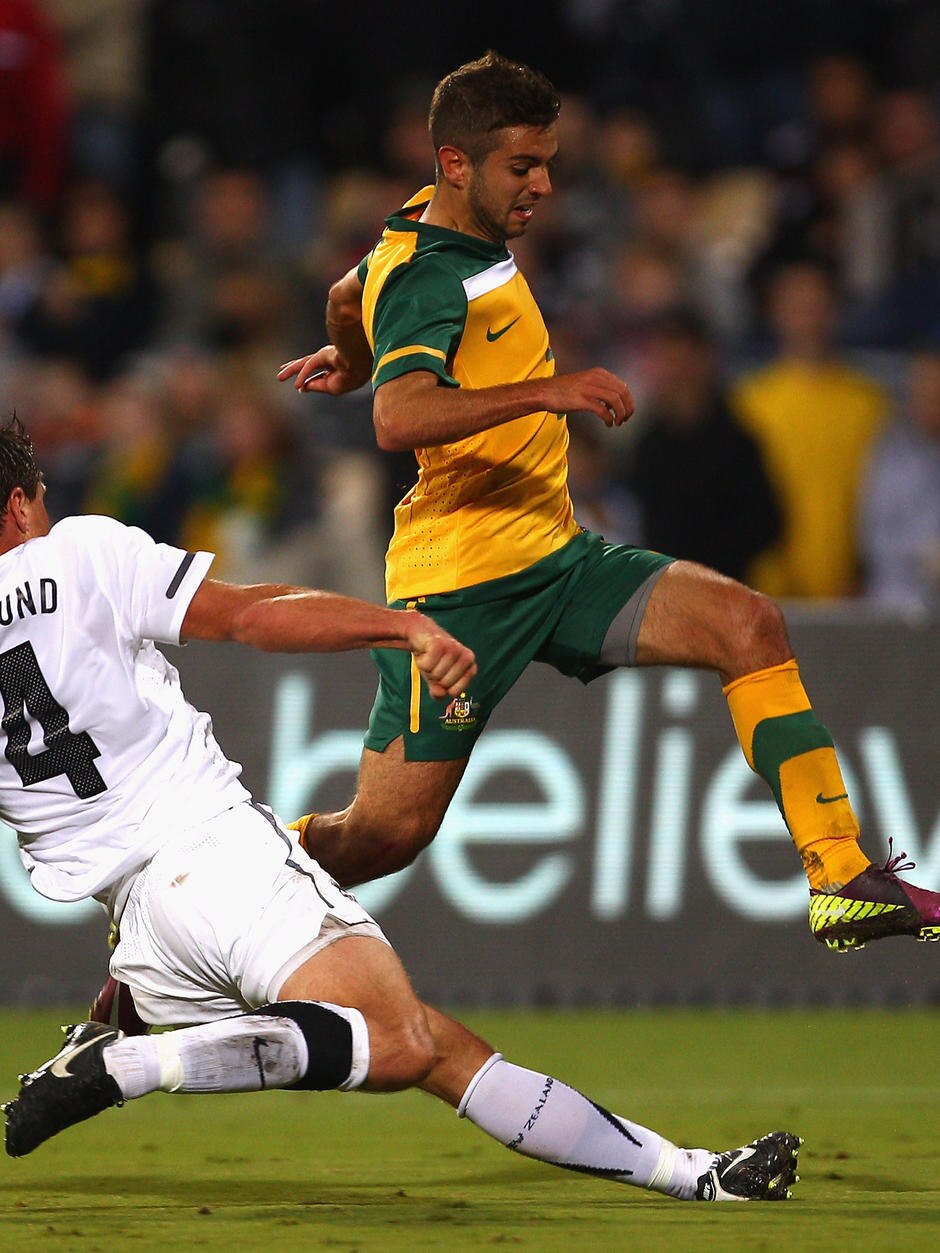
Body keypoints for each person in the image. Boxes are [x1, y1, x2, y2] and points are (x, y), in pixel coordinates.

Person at [0, 415, 800, 1201]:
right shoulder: (77, 555)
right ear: (18, 504)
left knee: (437, 1049)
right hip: (214, 857)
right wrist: (399, 624)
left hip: (142, 932)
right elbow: (249, 615)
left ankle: (693, 1174)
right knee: (398, 1041)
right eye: (40, 497)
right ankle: (129, 1062)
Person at [277, 51, 940, 952]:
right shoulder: (435, 276)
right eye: (524, 166)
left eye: (548, 162)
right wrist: (544, 391)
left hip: (555, 555)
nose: (544, 184)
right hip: (462, 591)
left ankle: (843, 876)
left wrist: (350, 351)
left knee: (746, 625)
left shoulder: (423, 239)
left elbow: (348, 290)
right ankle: (206, 890)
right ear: (456, 164)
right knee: (383, 835)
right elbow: (398, 418)